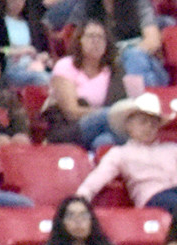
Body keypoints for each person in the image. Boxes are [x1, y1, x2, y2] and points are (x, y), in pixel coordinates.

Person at [42, 0, 167, 88]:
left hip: (142, 64)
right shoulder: (85, 4)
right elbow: (77, 43)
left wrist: (121, 55)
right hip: (103, 66)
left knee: (134, 57)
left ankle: (136, 102)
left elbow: (152, 41)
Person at [75, 93, 177, 212]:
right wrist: (80, 199)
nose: (148, 127)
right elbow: (98, 178)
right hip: (154, 198)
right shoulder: (120, 153)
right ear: (129, 126)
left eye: (153, 123)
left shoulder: (172, 149)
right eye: (143, 122)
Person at [41, 19, 122, 149]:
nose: (96, 41)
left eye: (101, 37)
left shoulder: (113, 71)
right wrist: (107, 114)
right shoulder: (66, 65)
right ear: (79, 41)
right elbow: (71, 112)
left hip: (101, 130)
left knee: (105, 142)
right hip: (68, 128)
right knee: (111, 115)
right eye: (90, 36)